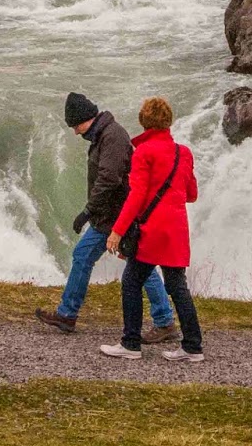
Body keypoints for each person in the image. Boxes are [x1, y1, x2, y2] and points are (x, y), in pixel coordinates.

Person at [35, 92, 177, 340]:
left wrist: (87, 211)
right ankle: (68, 315)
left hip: (116, 217)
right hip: (108, 216)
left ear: (86, 119)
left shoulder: (112, 137)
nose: (75, 132)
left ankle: (164, 321)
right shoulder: (104, 135)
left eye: (76, 126)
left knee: (136, 267)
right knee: (94, 258)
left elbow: (109, 180)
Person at [100, 96, 204, 364]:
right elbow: (191, 194)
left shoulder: (144, 152)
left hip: (152, 230)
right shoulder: (184, 153)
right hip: (177, 231)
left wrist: (117, 231)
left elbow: (136, 196)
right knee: (178, 287)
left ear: (144, 122)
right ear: (168, 121)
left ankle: (131, 343)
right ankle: (193, 347)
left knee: (131, 282)